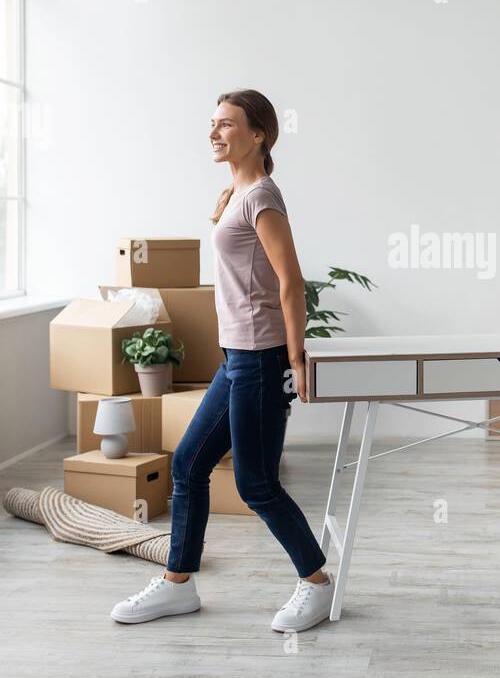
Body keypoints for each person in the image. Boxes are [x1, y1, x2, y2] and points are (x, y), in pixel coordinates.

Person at [110, 89, 335, 632]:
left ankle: (317, 585)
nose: (214, 133)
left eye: (226, 124)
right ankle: (177, 585)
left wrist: (298, 359)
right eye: (212, 123)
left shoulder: (262, 196)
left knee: (256, 485)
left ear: (257, 134)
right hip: (238, 357)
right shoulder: (235, 193)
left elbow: (291, 281)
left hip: (261, 359)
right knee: (188, 466)